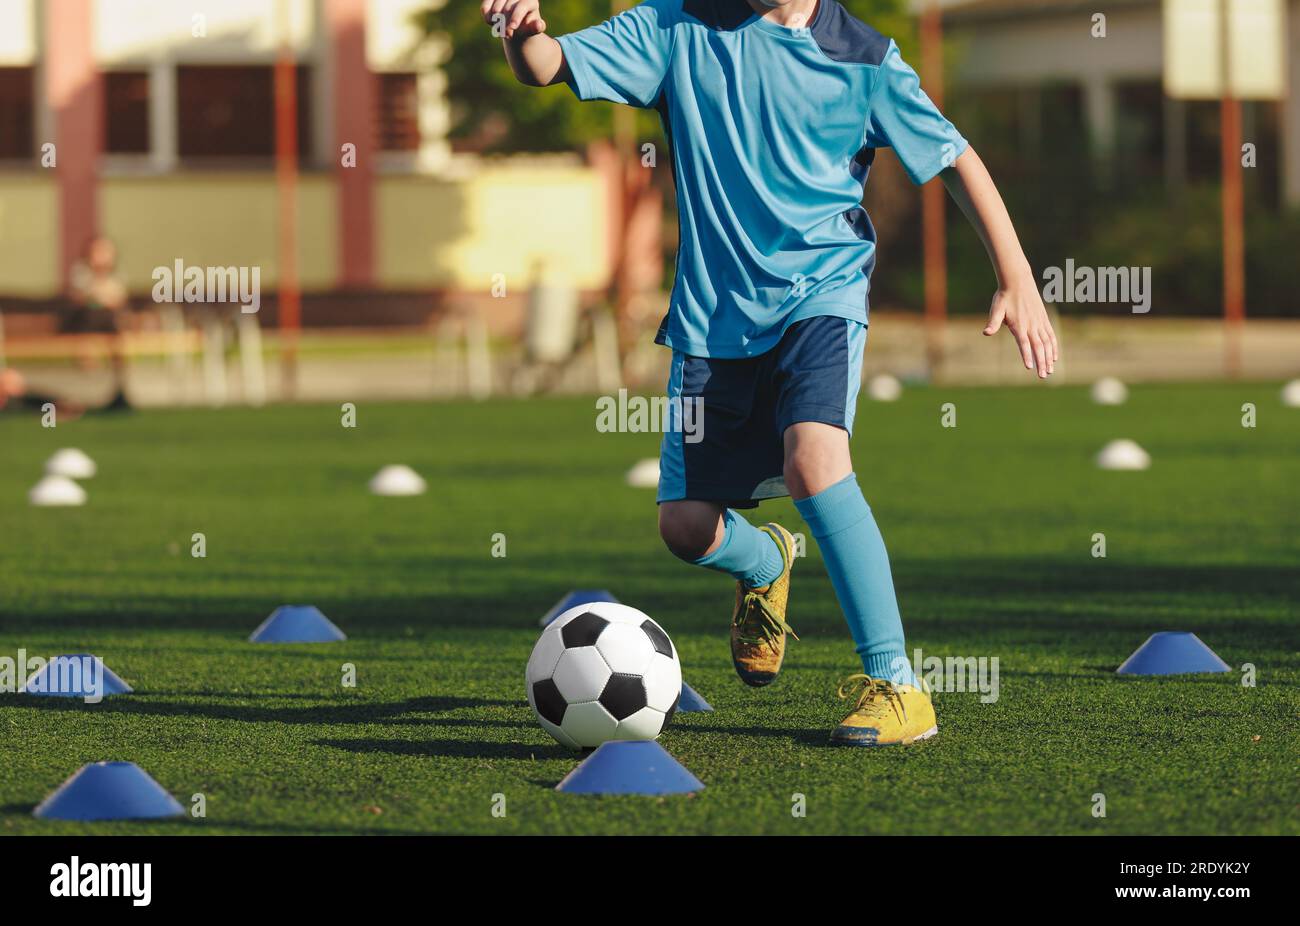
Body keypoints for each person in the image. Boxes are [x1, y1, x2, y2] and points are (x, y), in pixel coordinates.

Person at [484, 0, 1059, 745]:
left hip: (822, 296)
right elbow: (548, 66)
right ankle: (766, 561)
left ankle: (897, 684)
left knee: (815, 463)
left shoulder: (865, 58)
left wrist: (1015, 272)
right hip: (711, 320)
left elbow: (955, 157)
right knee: (685, 528)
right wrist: (524, 33)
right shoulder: (676, 26)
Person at [64, 235, 131, 410]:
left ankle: (116, 374)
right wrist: (99, 295)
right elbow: (83, 297)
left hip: (108, 324)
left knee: (111, 317)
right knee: (94, 312)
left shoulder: (117, 274)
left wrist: (100, 295)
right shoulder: (80, 272)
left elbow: (117, 298)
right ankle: (87, 357)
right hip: (84, 322)